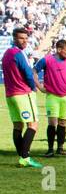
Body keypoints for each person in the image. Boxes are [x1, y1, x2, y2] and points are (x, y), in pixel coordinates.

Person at [2, 26, 41, 168]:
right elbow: (27, 72)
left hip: (10, 94)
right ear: (14, 38)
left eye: (26, 38)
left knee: (18, 126)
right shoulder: (19, 53)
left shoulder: (6, 53)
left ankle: (22, 156)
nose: (24, 41)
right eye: (21, 38)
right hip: (22, 93)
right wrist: (33, 87)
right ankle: (25, 157)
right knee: (33, 124)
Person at [34, 39, 66, 156]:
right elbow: (34, 71)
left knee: (63, 123)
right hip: (52, 96)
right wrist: (40, 87)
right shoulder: (46, 60)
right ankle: (50, 149)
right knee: (52, 122)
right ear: (59, 49)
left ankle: (60, 148)